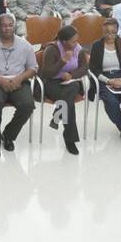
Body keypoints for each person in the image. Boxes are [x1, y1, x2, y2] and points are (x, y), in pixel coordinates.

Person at [0, 14, 38, 156]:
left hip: (19, 80)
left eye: (10, 25)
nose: (7, 28)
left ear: (14, 26)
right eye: (4, 25)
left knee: (28, 105)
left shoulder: (25, 45)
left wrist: (19, 79)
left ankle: (8, 135)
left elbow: (33, 68)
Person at [40, 24, 90, 155]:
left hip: (71, 82)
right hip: (53, 83)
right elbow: (47, 73)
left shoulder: (78, 49)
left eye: (77, 40)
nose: (76, 43)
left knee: (71, 89)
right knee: (68, 104)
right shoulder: (52, 49)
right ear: (64, 41)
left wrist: (72, 75)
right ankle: (70, 140)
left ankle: (57, 115)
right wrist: (62, 61)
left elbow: (84, 68)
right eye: (73, 41)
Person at [88, 16, 121, 143]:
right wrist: (108, 81)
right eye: (107, 32)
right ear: (103, 31)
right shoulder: (97, 46)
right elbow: (93, 69)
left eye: (113, 32)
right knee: (111, 101)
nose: (110, 35)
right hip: (105, 78)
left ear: (117, 31)